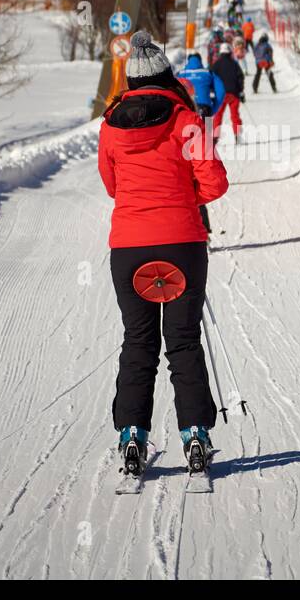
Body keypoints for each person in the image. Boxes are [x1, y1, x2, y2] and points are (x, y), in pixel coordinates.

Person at [98, 31, 227, 477]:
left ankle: (131, 435)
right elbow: (214, 183)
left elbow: (112, 185)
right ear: (167, 75)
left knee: (138, 341)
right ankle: (195, 435)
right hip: (182, 243)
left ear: (131, 82)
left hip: (129, 246)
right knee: (183, 340)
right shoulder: (187, 121)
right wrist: (182, 195)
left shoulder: (111, 125)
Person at [210, 42, 245, 141]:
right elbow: (240, 77)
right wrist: (241, 91)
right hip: (234, 94)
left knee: (218, 115)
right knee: (235, 115)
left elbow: (211, 78)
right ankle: (237, 135)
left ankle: (215, 137)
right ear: (230, 52)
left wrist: (212, 91)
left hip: (220, 95)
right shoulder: (234, 63)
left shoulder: (216, 64)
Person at [177, 52, 225, 116]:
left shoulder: (180, 74)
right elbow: (221, 91)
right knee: (208, 126)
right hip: (206, 108)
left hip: (186, 108)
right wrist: (214, 108)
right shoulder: (208, 73)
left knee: (186, 126)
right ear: (200, 61)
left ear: (188, 61)